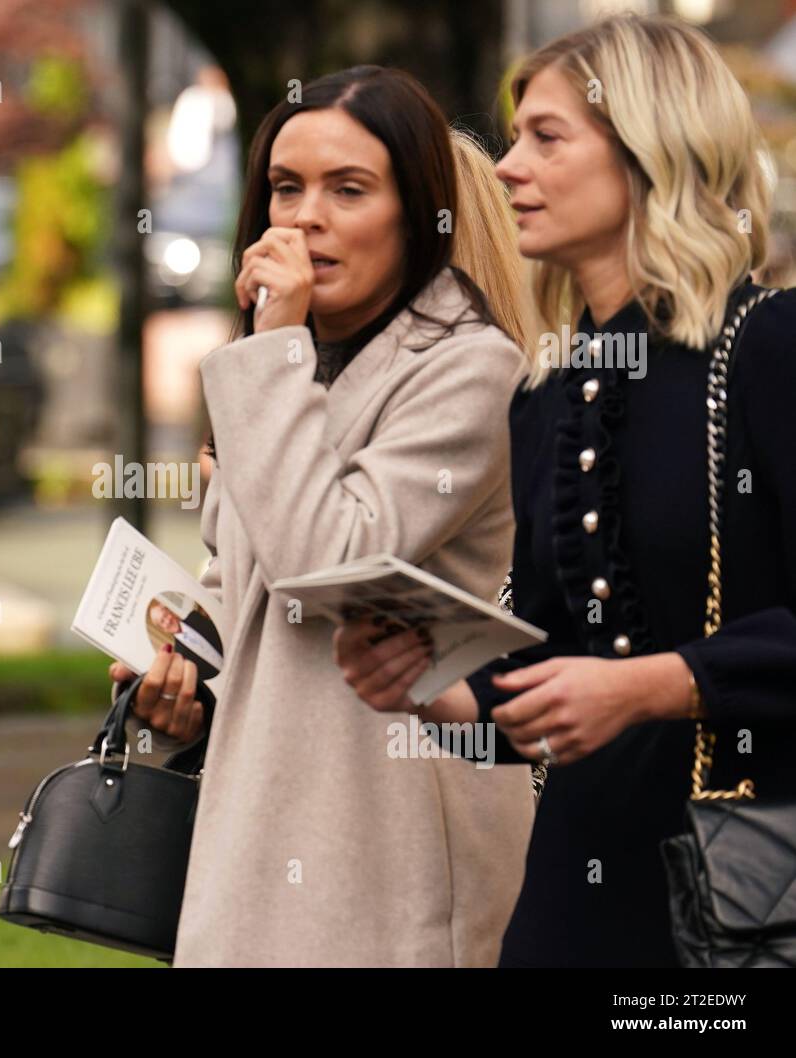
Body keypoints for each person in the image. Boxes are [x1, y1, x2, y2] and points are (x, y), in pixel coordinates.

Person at [336, 13, 796, 967]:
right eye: (513, 140)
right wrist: (442, 693)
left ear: (652, 151)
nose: (506, 169)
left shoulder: (769, 349)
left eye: (546, 137)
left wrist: (655, 686)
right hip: (581, 883)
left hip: (748, 876)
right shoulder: (545, 393)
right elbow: (562, 662)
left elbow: (623, 676)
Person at [113, 66, 535, 966]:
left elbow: (327, 557)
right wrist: (185, 682)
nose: (305, 218)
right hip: (258, 814)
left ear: (418, 212)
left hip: (389, 834)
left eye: (350, 190)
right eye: (286, 187)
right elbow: (246, 585)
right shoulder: (291, 358)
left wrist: (272, 349)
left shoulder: (468, 367)